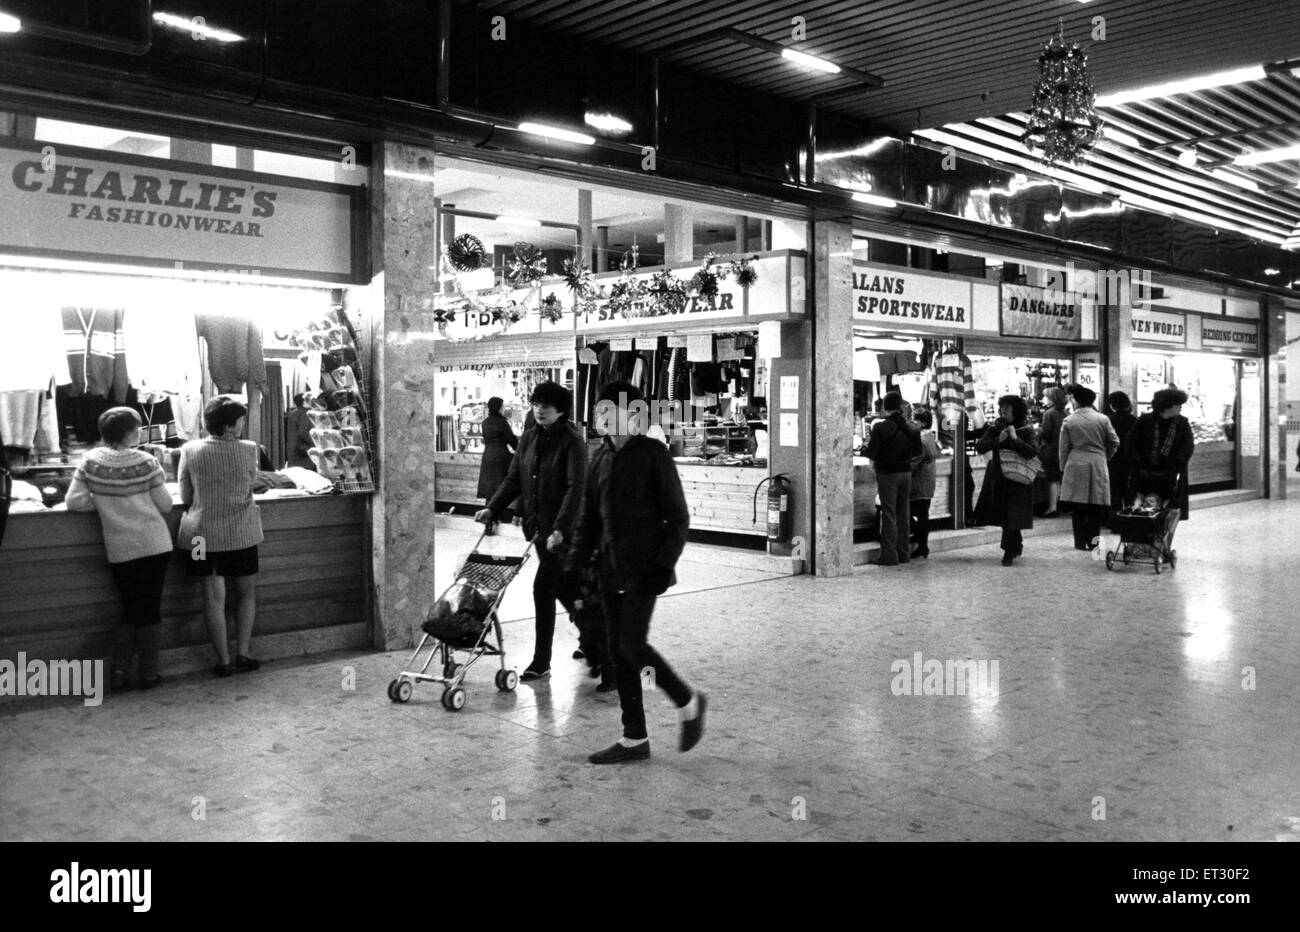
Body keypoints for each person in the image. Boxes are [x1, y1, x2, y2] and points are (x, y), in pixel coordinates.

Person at [561, 381, 705, 764]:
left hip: (644, 570)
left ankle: (687, 701)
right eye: (599, 411)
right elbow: (587, 520)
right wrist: (573, 566)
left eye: (609, 410)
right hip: (609, 569)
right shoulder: (600, 459)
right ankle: (634, 737)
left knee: (631, 646)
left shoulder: (654, 455)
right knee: (618, 650)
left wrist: (664, 565)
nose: (600, 417)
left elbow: (678, 517)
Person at [475, 381, 588, 682]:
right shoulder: (527, 438)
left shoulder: (572, 442)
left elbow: (576, 488)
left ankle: (542, 660)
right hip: (538, 529)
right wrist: (493, 508)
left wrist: (562, 529)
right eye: (536, 404)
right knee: (565, 588)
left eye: (546, 405)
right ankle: (595, 640)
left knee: (544, 588)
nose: (539, 409)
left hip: (562, 532)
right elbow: (514, 478)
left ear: (561, 410)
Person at [65, 407, 174, 691]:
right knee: (150, 609)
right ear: (127, 433)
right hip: (154, 544)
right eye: (136, 429)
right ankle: (149, 674)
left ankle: (119, 671)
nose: (139, 433)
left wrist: (105, 505)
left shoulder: (90, 462)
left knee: (129, 609)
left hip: (119, 548)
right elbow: (166, 505)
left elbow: (74, 502)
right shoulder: (147, 462)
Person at [177, 396, 265, 677]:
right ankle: (243, 653)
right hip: (241, 532)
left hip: (201, 536)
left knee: (212, 598)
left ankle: (223, 661)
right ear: (229, 426)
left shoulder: (190, 450)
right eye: (240, 420)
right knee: (246, 594)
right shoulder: (250, 450)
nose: (242, 425)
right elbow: (253, 485)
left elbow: (185, 495)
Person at [972, 395, 1038, 566]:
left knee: (1011, 514)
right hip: (998, 477)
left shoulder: (1026, 430)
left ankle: (1008, 551)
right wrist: (998, 440)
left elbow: (1031, 452)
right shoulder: (995, 428)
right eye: (1001, 409)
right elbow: (980, 447)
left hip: (1018, 479)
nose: (1003, 413)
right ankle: (1015, 544)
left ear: (1016, 412)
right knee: (1005, 514)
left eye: (1007, 410)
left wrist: (1015, 439)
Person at [1058, 384, 1120, 551]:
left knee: (1078, 506)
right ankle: (1093, 542)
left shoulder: (1069, 420)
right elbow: (1114, 442)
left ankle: (1079, 542)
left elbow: (1063, 447)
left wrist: (1063, 466)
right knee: (1095, 505)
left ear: (1076, 401)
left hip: (1075, 463)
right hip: (1098, 462)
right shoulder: (1102, 419)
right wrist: (1105, 456)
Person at [865, 391, 923, 567]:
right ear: (900, 406)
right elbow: (918, 452)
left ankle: (889, 556)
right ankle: (903, 553)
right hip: (906, 473)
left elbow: (872, 452)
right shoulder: (911, 427)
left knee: (889, 513)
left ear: (884, 407)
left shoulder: (880, 427)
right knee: (903, 513)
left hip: (887, 474)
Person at [1126, 388, 1195, 528]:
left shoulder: (1182, 423)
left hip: (1169, 475)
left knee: (1167, 510)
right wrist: (1137, 463)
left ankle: (1161, 543)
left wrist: (1177, 465)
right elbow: (1130, 443)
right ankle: (1141, 541)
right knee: (1141, 508)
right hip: (1144, 475)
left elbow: (1187, 446)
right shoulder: (1145, 420)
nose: (1181, 407)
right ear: (1168, 405)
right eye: (1178, 404)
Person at [909, 409, 941, 559]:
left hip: (919, 482)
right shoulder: (931, 437)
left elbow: (914, 461)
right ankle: (921, 542)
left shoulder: (921, 440)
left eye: (915, 420)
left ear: (922, 422)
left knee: (910, 512)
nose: (912, 422)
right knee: (922, 515)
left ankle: (922, 544)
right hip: (928, 482)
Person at [1104, 391, 1138, 528]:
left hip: (1113, 460)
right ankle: (1130, 519)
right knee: (1129, 491)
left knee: (1114, 491)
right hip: (1130, 460)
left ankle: (1115, 521)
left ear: (1112, 405)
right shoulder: (1134, 420)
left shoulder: (1108, 420)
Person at [476, 397, 517, 505]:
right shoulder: (502, 423)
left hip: (488, 456)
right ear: (498, 407)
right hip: (501, 457)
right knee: (502, 487)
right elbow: (512, 440)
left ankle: (488, 512)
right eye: (502, 406)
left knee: (490, 488)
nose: (504, 408)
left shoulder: (485, 423)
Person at [1037, 386, 1068, 517]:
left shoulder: (1049, 413)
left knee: (1051, 479)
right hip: (1062, 450)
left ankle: (1052, 508)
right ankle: (1057, 505)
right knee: (1058, 479)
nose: (1043, 399)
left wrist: (1038, 431)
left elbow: (1047, 434)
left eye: (1045, 396)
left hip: (1050, 451)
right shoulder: (1065, 413)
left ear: (1052, 399)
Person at [285, 393, 315, 470]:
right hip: (303, 454)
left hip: (293, 450)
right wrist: (315, 442)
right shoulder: (305, 414)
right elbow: (303, 432)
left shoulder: (293, 414)